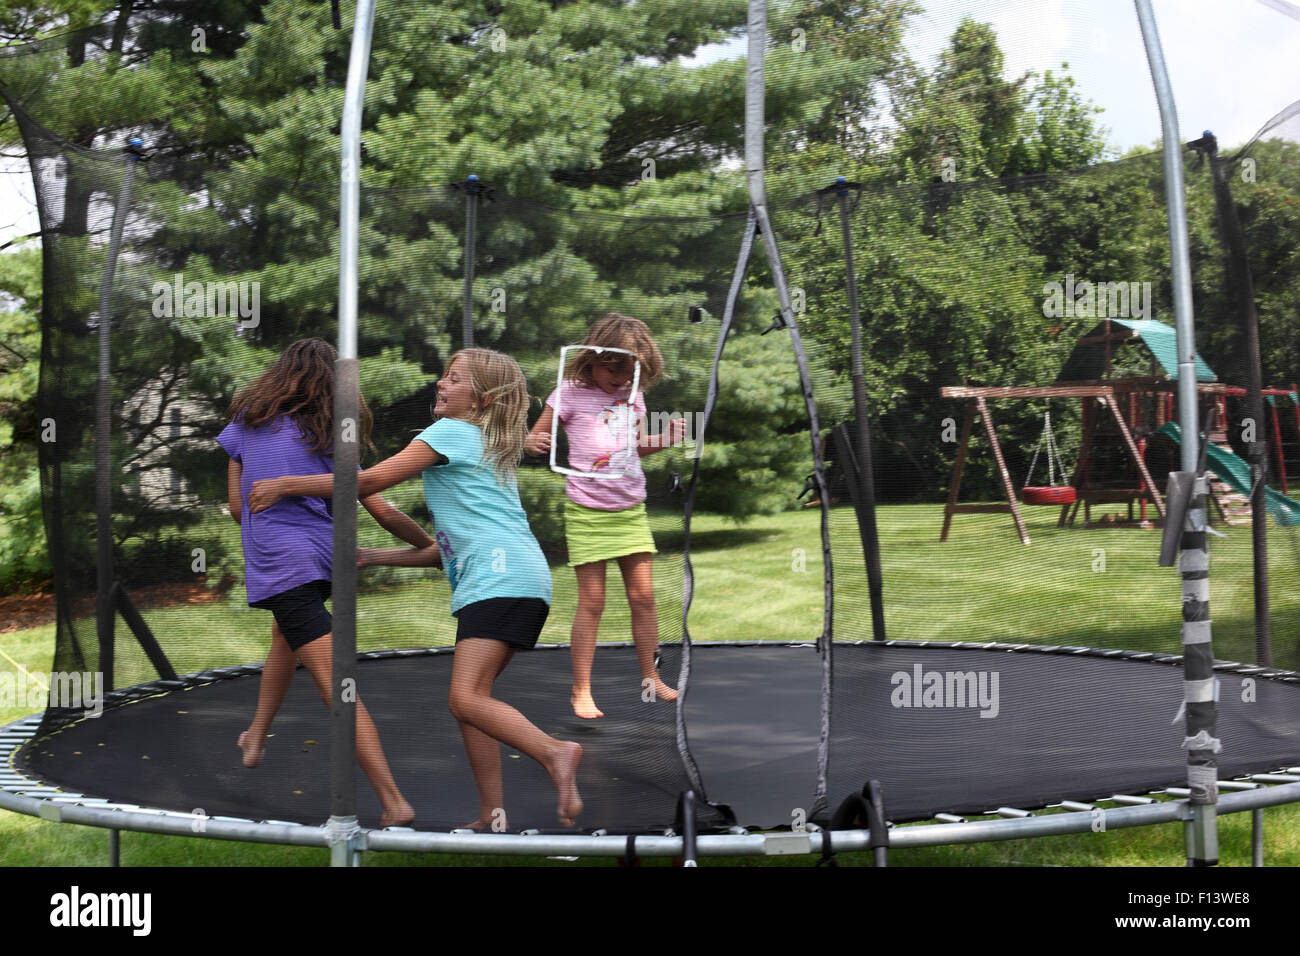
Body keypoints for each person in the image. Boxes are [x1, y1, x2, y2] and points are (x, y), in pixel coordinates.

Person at [248, 348, 583, 830]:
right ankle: (492, 815)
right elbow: (438, 550)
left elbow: (368, 480)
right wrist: (372, 557)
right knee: (476, 703)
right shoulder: (485, 446)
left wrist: (286, 484)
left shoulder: (451, 433)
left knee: (465, 699)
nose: (441, 385)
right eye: (443, 377)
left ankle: (555, 752)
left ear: (482, 400)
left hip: (498, 577)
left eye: (453, 379)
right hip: (518, 577)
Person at [218, 338, 424, 827]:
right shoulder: (331, 430)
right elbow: (375, 503)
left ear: (279, 373)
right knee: (284, 640)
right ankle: (256, 734)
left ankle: (392, 800)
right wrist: (424, 544)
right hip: (323, 558)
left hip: (280, 559)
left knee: (336, 681)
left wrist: (273, 496)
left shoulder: (247, 417)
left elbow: (234, 505)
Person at [525, 313, 685, 719]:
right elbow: (535, 437)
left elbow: (632, 446)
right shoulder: (568, 393)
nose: (619, 378)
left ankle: (652, 679)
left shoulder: (634, 396)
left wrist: (663, 441)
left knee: (644, 598)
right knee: (592, 601)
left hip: (630, 508)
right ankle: (581, 690)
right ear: (589, 360)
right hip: (586, 510)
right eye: (611, 369)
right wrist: (534, 441)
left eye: (629, 371)